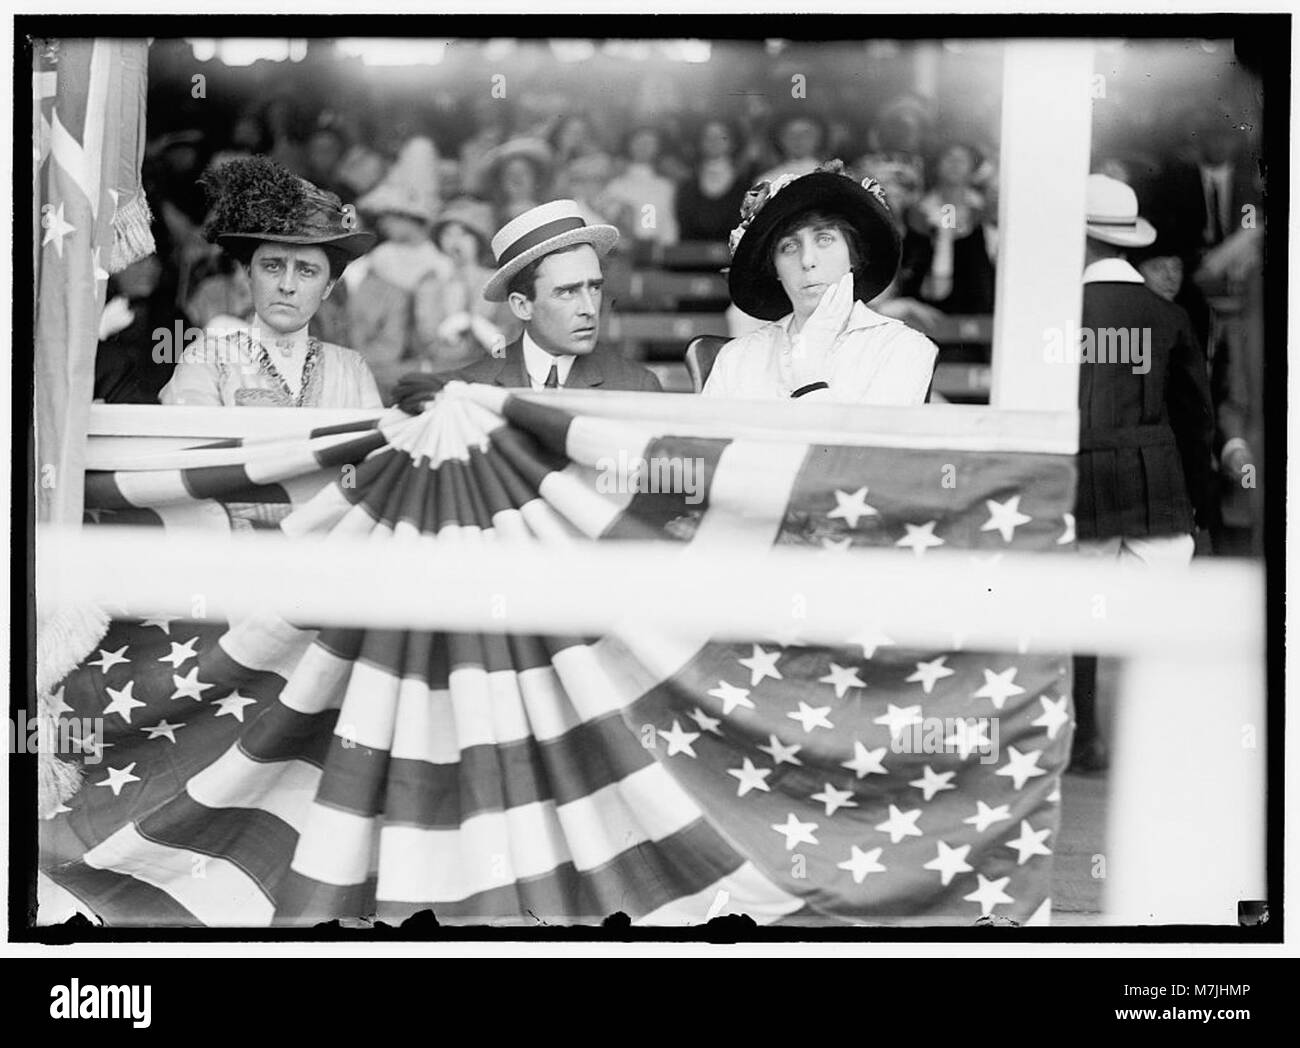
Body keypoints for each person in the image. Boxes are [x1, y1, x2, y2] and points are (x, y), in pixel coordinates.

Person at [1069, 173, 1216, 772]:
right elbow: (1197, 421)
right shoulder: (1169, 315)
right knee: (1155, 618)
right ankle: (1153, 744)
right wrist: (1202, 505)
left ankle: (1086, 741)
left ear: (1079, 240)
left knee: (1080, 616)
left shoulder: (1057, 311)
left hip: (1080, 479)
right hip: (1157, 481)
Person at [703, 160, 938, 403]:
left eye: (824, 239)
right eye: (789, 246)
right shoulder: (737, 358)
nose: (807, 260)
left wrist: (809, 375)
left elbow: (858, 441)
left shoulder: (902, 349)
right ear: (775, 268)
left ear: (853, 256)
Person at [159, 155, 382, 408]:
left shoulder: (351, 371)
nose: (287, 285)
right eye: (272, 266)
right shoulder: (207, 361)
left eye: (307, 271)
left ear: (328, 286)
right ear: (248, 272)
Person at [393, 199, 662, 404]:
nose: (590, 310)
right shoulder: (470, 390)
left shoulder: (636, 387)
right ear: (521, 305)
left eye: (594, 287)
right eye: (567, 292)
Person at [348, 140, 450, 400]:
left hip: (426, 353)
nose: (384, 226)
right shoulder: (381, 256)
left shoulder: (438, 261)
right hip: (382, 346)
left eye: (390, 218)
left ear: (408, 218)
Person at [411, 196, 520, 374]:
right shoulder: (430, 285)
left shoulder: (499, 282)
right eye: (448, 234)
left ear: (478, 239)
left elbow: (504, 350)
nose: (455, 241)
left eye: (463, 234)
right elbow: (426, 344)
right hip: (441, 373)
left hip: (491, 374)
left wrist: (479, 326)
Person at [675, 118, 761, 243]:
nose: (714, 142)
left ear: (733, 143)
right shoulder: (686, 186)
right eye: (708, 137)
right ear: (699, 143)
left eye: (722, 137)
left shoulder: (748, 184)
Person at [604, 125, 680, 246]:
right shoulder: (616, 186)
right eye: (639, 142)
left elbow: (668, 225)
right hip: (624, 253)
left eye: (650, 143)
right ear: (630, 145)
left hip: (657, 253)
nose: (644, 147)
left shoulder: (665, 186)